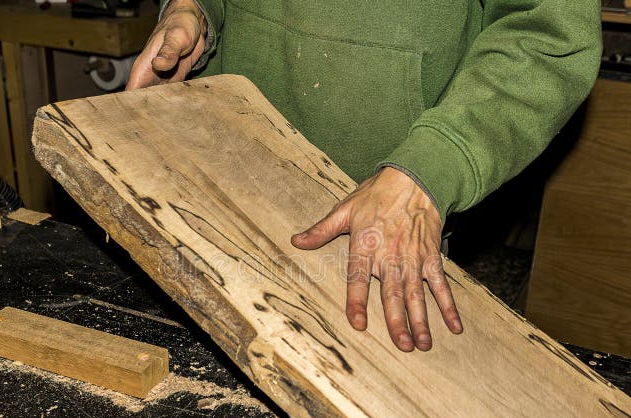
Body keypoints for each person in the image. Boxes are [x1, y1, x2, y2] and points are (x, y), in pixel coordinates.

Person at [127, 0, 602, 352]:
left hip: (382, 227)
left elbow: (545, 38)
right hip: (222, 186)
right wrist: (195, 9)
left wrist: (433, 166)